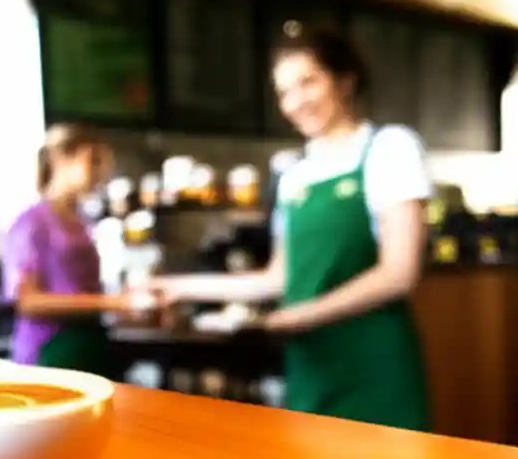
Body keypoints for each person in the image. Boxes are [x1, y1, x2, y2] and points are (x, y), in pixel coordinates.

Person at [152, 29, 431, 430]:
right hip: (310, 365)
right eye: (284, 92)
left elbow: (398, 273)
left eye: (308, 82)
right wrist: (178, 287)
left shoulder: (390, 148)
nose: (296, 102)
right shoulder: (293, 175)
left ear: (345, 79)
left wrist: (302, 316)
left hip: (373, 361)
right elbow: (278, 277)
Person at [2, 124, 147, 376]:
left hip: (89, 344)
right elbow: (28, 301)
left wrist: (128, 304)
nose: (99, 172)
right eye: (92, 161)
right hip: (50, 352)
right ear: (61, 159)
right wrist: (112, 303)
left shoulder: (81, 222)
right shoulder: (31, 223)